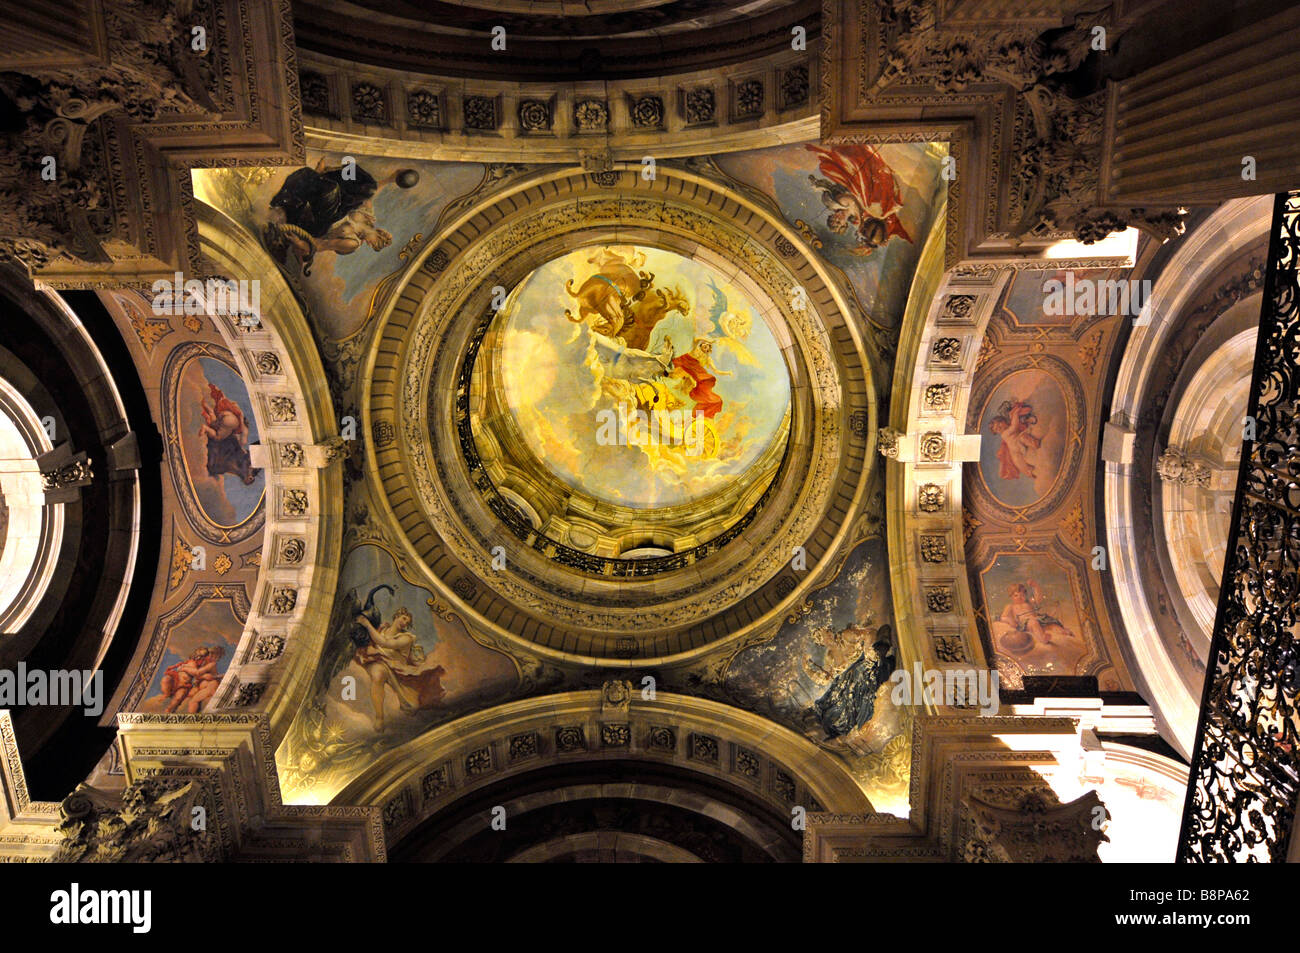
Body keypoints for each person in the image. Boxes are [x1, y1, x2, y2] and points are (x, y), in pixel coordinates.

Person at [353, 607, 446, 732]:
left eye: (407, 622)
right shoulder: (382, 629)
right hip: (377, 660)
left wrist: (367, 624)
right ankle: (379, 718)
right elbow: (372, 642)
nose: (404, 623)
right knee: (378, 675)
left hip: (397, 669)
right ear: (397, 616)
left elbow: (386, 644)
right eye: (404, 618)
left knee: (413, 705)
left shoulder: (407, 638)